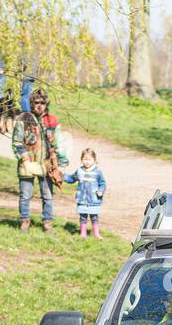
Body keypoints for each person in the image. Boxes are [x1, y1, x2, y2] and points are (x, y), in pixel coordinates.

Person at [11, 88, 67, 232]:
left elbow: (59, 143)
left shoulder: (52, 120)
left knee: (47, 196)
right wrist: (24, 159)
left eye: (42, 102)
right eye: (36, 102)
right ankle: (25, 221)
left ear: (46, 103)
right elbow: (16, 142)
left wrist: (62, 163)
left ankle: (47, 223)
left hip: (47, 163)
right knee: (25, 195)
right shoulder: (23, 119)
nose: (40, 105)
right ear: (32, 103)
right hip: (27, 163)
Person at [65, 148, 107, 239]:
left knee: (94, 217)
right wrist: (62, 175)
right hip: (82, 199)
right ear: (81, 159)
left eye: (89, 159)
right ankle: (83, 234)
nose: (87, 162)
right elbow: (71, 179)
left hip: (94, 200)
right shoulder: (79, 171)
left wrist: (101, 191)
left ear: (94, 160)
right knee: (83, 217)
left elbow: (102, 183)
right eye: (85, 159)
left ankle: (96, 234)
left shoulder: (97, 172)